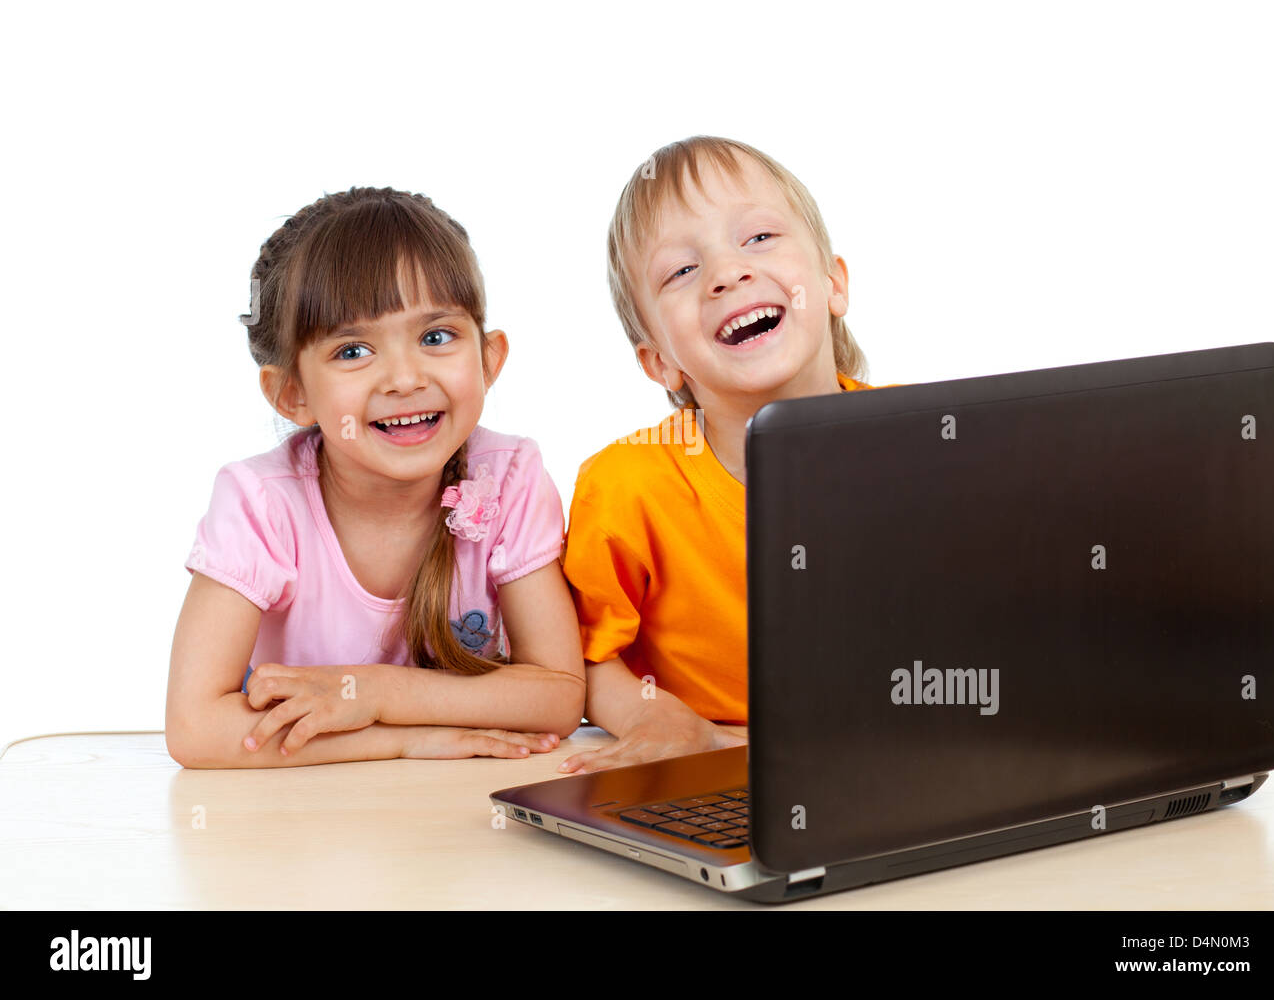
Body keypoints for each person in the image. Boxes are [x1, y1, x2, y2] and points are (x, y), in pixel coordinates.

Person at [166, 187, 585, 768]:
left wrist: (373, 693)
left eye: (436, 337)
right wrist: (401, 739)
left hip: (455, 824)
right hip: (301, 834)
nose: (405, 378)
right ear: (293, 394)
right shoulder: (260, 502)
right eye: (353, 350)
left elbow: (558, 696)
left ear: (489, 359)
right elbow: (194, 728)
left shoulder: (510, 477)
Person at [559, 137, 896, 775]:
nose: (727, 272)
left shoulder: (935, 437)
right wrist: (650, 715)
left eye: (760, 238)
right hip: (720, 772)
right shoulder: (627, 485)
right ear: (658, 360)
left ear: (832, 285)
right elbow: (583, 659)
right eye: (681, 271)